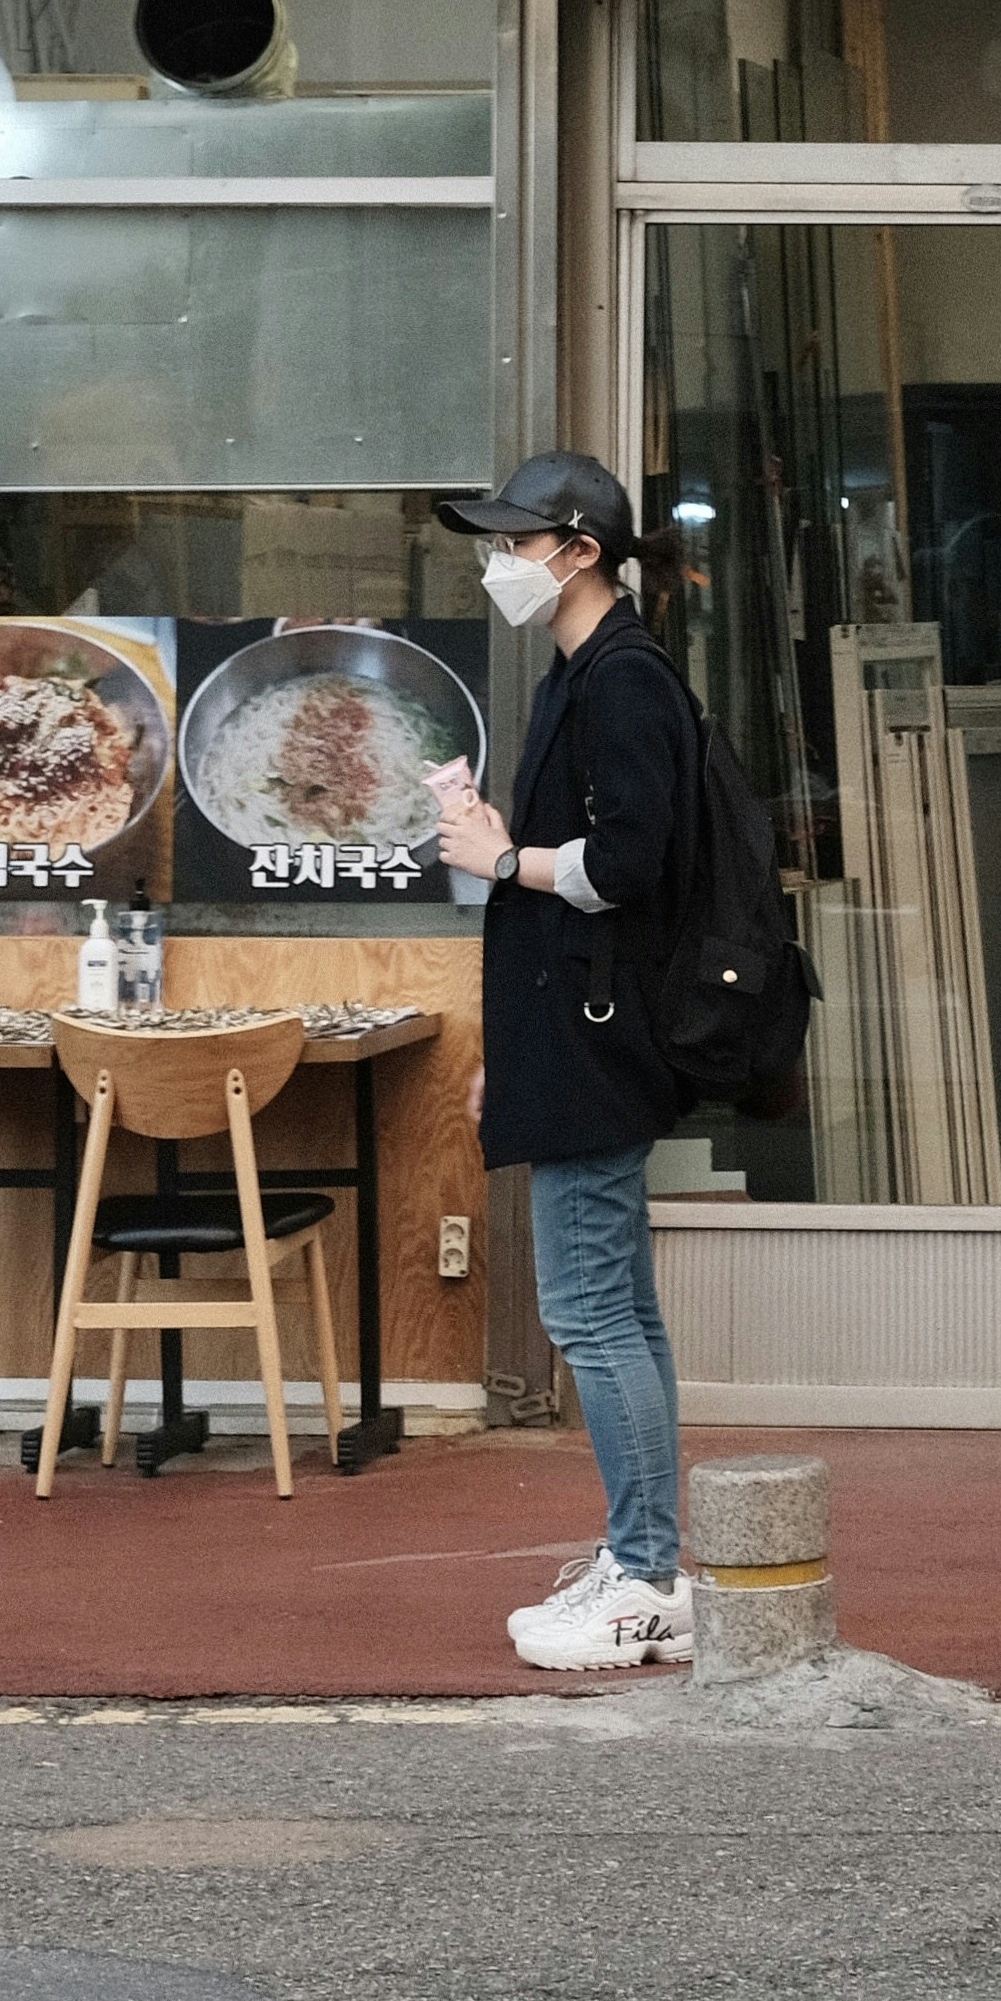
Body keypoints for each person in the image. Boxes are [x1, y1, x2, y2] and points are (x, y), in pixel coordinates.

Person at [431, 448, 699, 1678]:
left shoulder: (622, 679)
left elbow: (628, 865)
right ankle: (644, 1559)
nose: (502, 561)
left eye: (516, 541)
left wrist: (500, 856)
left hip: (598, 1036)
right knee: (618, 1310)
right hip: (576, 1033)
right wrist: (514, 1052)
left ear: (580, 550)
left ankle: (645, 1578)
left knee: (591, 1313)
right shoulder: (588, 668)